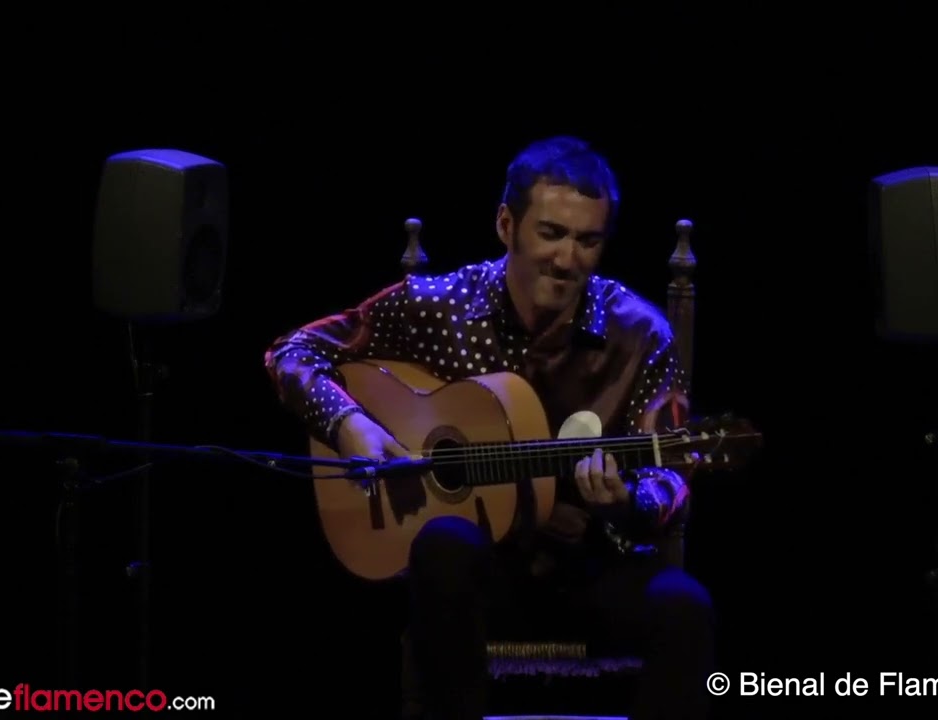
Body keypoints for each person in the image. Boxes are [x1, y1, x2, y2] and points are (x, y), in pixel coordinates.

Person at [263, 136, 714, 720]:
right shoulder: (437, 307)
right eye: (551, 233)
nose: (567, 259)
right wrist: (350, 425)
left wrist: (628, 501)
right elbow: (294, 351)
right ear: (507, 224)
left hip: (593, 569)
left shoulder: (641, 335)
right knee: (445, 547)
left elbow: (673, 482)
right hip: (475, 584)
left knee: (686, 607)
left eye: (588, 240)